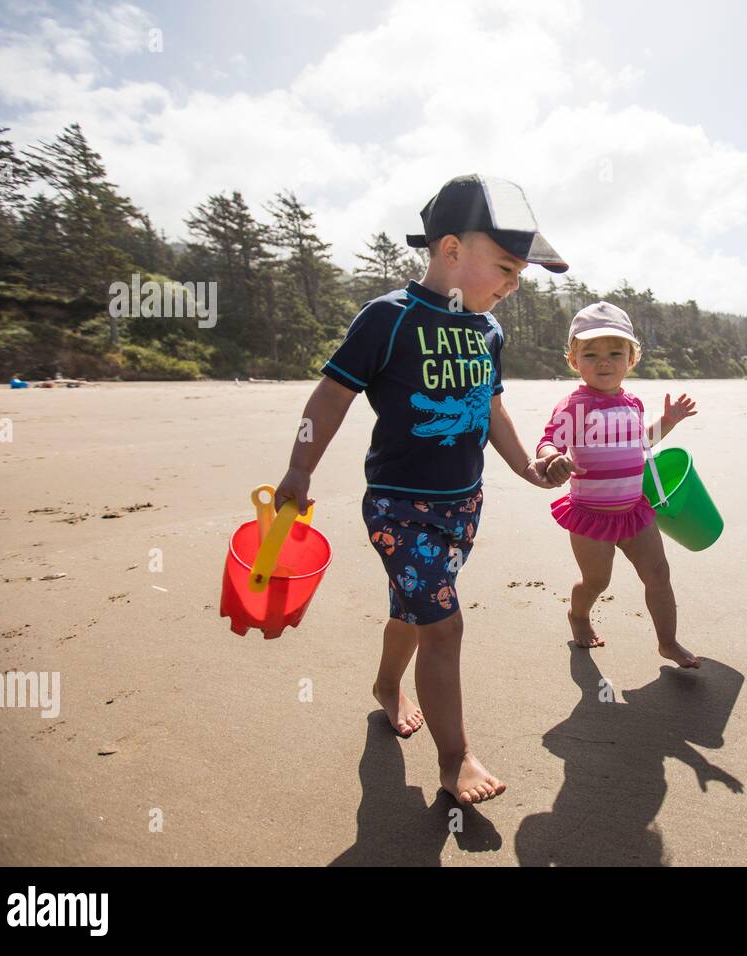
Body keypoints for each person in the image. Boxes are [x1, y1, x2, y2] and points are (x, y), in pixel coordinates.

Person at [273, 174, 569, 805]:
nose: (513, 285)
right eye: (507, 267)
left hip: (464, 506)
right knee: (444, 625)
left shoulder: (488, 333)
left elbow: (492, 411)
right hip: (397, 507)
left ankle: (386, 687)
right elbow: (330, 395)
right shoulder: (389, 318)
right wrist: (300, 469)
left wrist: (529, 465)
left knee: (413, 611)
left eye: (520, 275)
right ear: (452, 251)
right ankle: (454, 758)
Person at [536, 302, 702, 668]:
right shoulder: (575, 405)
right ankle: (578, 614)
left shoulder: (633, 402)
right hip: (591, 516)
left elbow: (640, 442)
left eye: (615, 352)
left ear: (632, 358)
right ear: (573, 360)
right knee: (596, 581)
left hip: (635, 511)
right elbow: (549, 441)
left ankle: (668, 642)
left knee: (659, 574)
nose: (604, 362)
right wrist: (553, 458)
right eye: (591, 354)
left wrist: (668, 422)